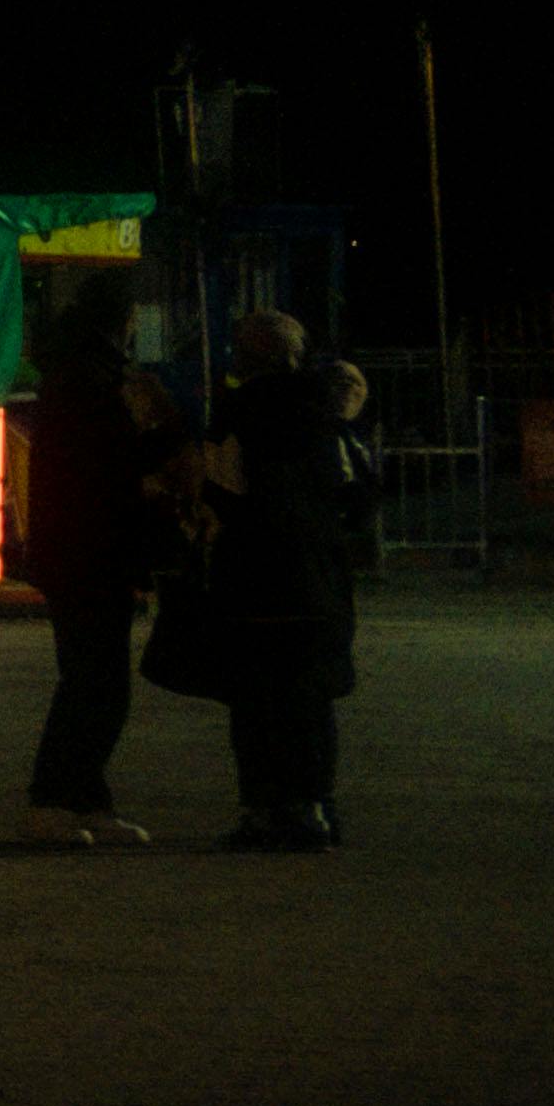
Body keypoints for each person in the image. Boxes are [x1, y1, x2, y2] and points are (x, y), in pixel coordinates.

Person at [197, 307, 370, 852]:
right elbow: (359, 496)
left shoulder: (233, 412)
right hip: (317, 581)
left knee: (255, 703)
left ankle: (263, 811)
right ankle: (314, 807)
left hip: (252, 581)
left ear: (244, 357)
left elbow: (221, 493)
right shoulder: (326, 410)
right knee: (310, 702)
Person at [11, 298, 173, 842]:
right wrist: (157, 431)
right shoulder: (89, 387)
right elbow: (114, 462)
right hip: (90, 556)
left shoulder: (73, 380)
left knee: (94, 683)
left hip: (82, 555)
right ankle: (56, 797)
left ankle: (83, 798)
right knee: (94, 685)